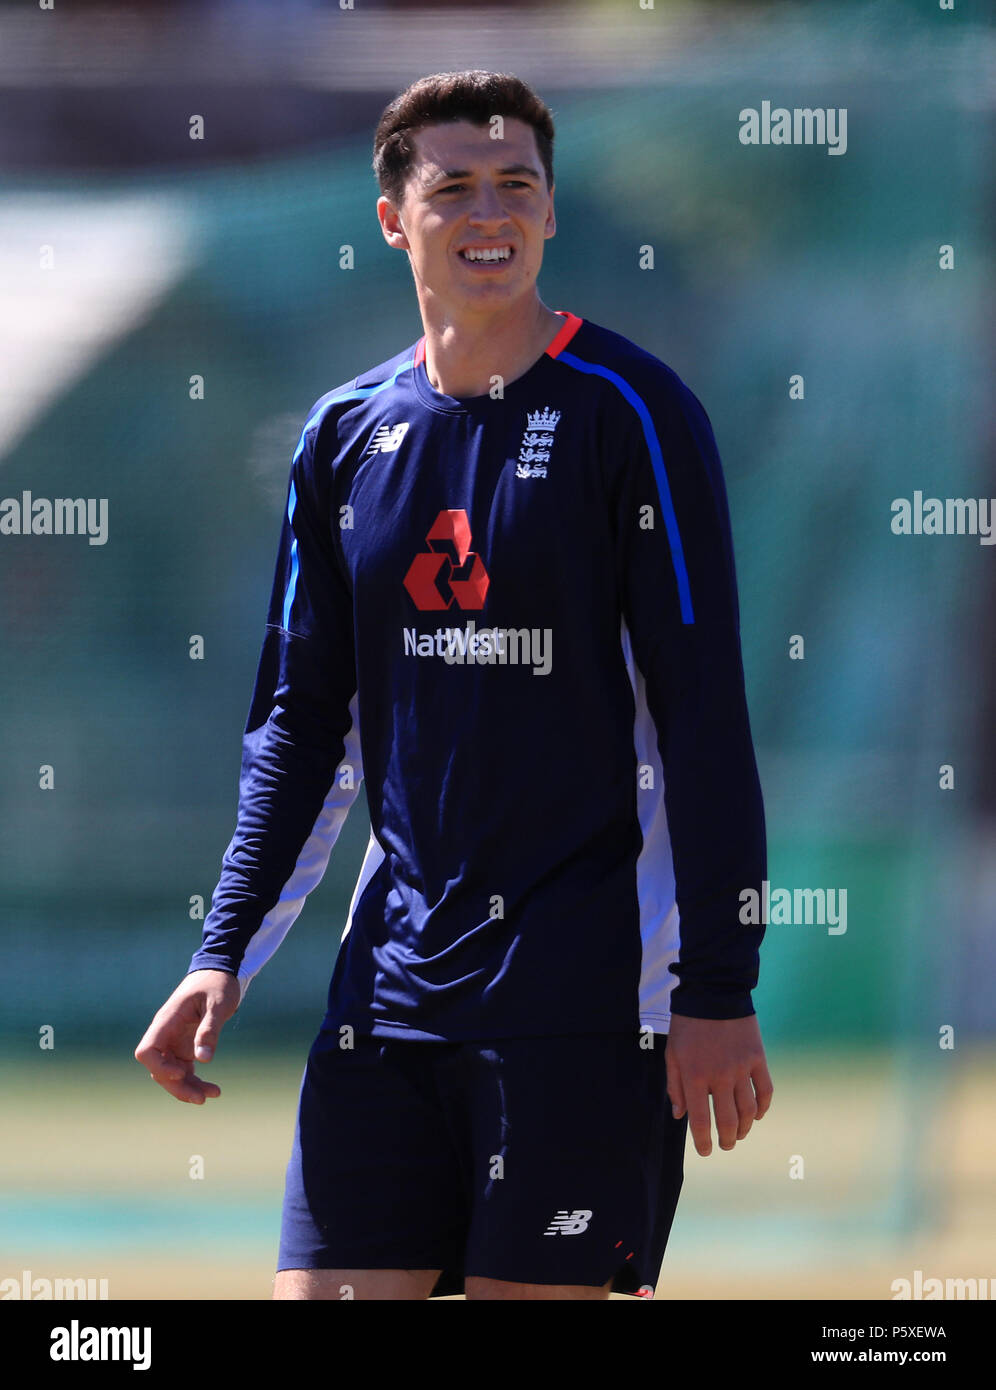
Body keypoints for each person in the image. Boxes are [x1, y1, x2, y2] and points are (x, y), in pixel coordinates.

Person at [135, 69, 773, 1302]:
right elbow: (301, 726)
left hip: (589, 1001)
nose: (490, 213)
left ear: (547, 210)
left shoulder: (634, 413)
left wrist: (717, 988)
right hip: (390, 991)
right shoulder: (341, 435)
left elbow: (702, 717)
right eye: (455, 187)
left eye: (517, 186)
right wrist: (223, 952)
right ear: (392, 215)